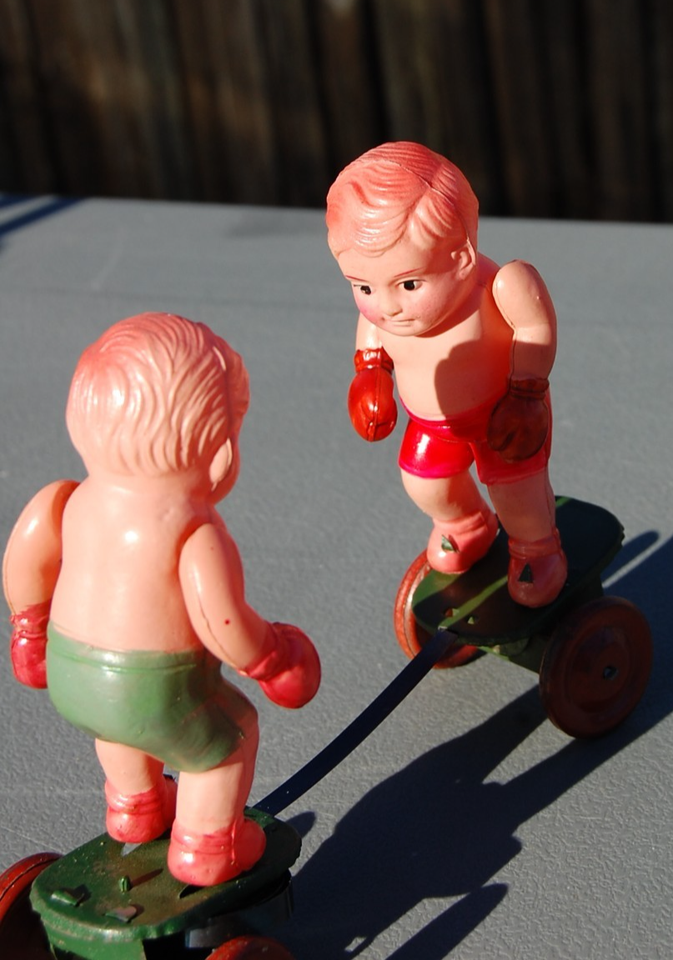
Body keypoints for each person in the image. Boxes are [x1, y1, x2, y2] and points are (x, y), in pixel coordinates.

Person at [3, 312, 320, 886]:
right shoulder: (194, 531)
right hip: (158, 688)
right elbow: (222, 623)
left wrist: (28, 628)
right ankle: (205, 842)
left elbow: (24, 558)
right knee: (231, 734)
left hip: (73, 674)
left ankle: (135, 804)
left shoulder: (66, 500)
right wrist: (275, 658)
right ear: (221, 452)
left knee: (118, 728)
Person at [326, 142, 567, 608]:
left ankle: (537, 548)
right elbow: (371, 329)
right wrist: (370, 371)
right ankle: (467, 523)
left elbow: (534, 327)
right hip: (432, 422)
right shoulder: (384, 313)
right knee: (425, 482)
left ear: (460, 258)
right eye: (362, 286)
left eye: (409, 284)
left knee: (516, 491)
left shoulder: (500, 287)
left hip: (503, 411)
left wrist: (527, 391)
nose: (386, 305)